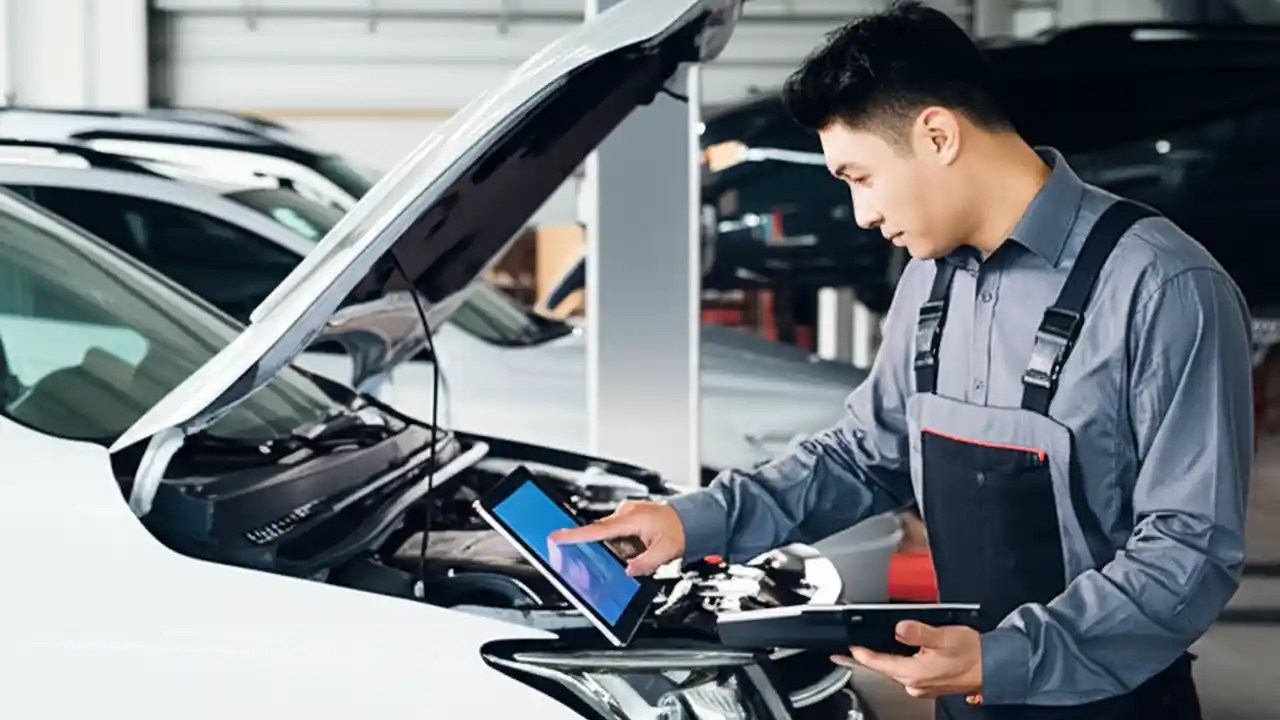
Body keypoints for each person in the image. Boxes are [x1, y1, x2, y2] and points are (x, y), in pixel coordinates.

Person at [551, 2, 1252, 718]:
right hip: (967, 696)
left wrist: (1008, 655)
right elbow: (864, 454)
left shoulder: (1161, 287)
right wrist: (692, 522)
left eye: (859, 176)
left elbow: (1189, 549)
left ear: (938, 135)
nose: (859, 213)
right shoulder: (929, 279)